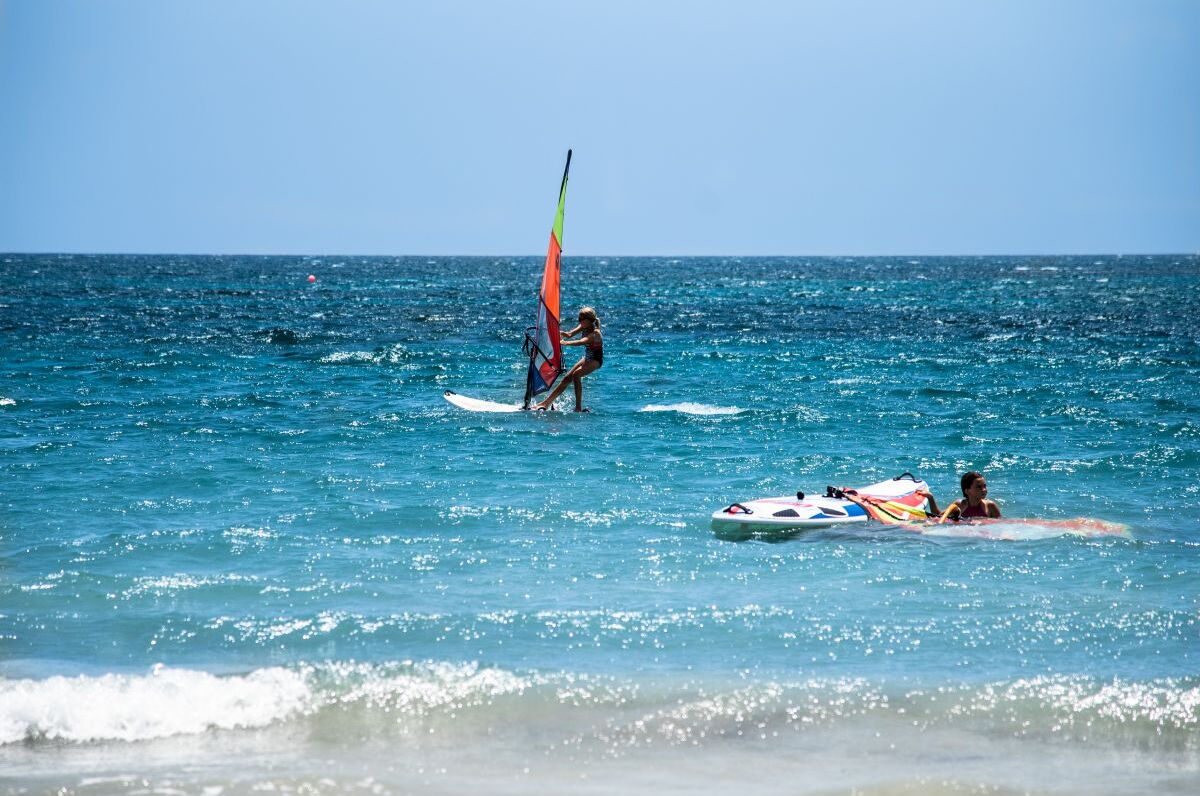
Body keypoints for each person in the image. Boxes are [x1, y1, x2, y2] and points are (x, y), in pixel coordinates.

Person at [534, 307, 603, 412]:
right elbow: (569, 334)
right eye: (578, 319)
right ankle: (546, 403)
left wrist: (565, 343)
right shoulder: (583, 326)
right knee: (567, 378)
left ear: (589, 320)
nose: (579, 321)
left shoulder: (595, 333)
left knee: (576, 375)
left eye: (581, 319)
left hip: (595, 359)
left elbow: (582, 341)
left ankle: (578, 408)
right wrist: (556, 332)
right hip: (587, 357)